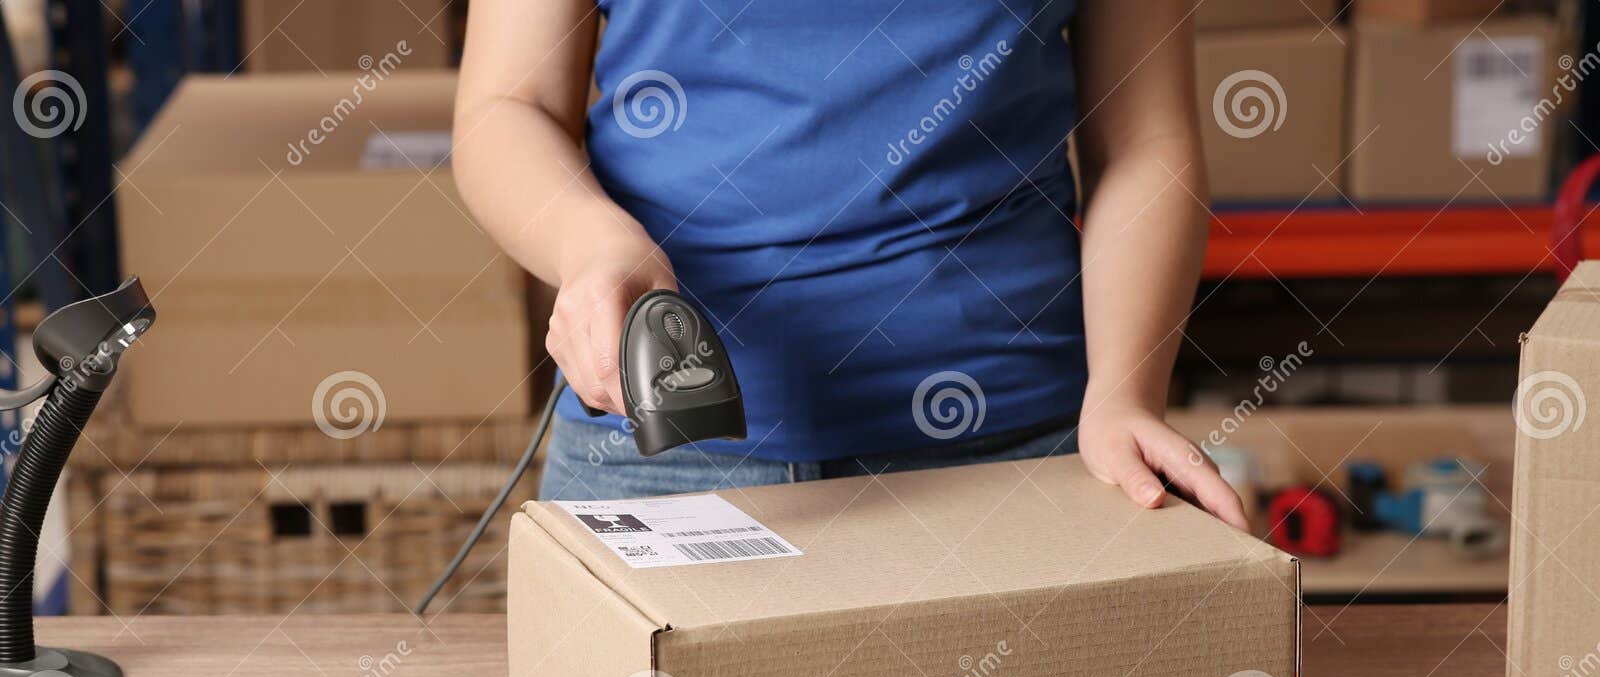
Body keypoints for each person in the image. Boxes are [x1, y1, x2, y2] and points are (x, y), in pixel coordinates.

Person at [452, 0, 1246, 530]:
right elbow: (509, 106)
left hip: (1016, 444)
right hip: (663, 448)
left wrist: (1125, 392)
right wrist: (593, 245)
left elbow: (1144, 138)